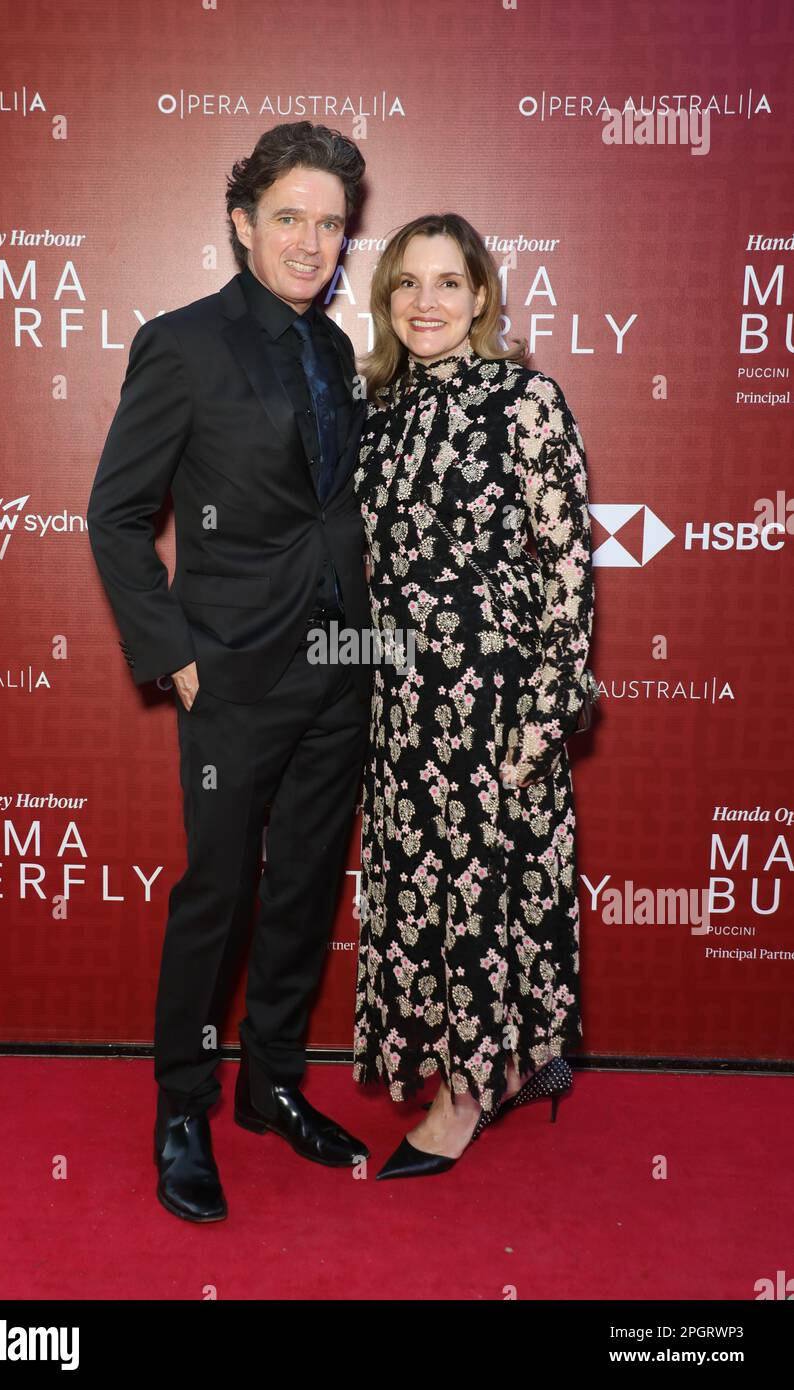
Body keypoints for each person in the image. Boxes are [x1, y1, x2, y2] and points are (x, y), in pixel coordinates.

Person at [87, 122, 373, 1222]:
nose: (310, 240)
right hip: (233, 672)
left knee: (303, 888)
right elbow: (114, 514)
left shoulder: (336, 349)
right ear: (243, 223)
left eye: (329, 221)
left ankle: (271, 1086)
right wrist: (171, 655)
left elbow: (328, 511)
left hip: (339, 667)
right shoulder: (184, 342)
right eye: (289, 216)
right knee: (219, 893)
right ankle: (179, 1106)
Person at [351, 213, 596, 1179]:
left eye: (448, 283)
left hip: (497, 699)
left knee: (487, 895)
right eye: (407, 284)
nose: (426, 303)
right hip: (398, 700)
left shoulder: (525, 400)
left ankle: (469, 1095)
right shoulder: (377, 410)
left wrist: (545, 714)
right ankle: (487, 1063)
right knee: (422, 890)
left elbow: (569, 564)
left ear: (483, 296)